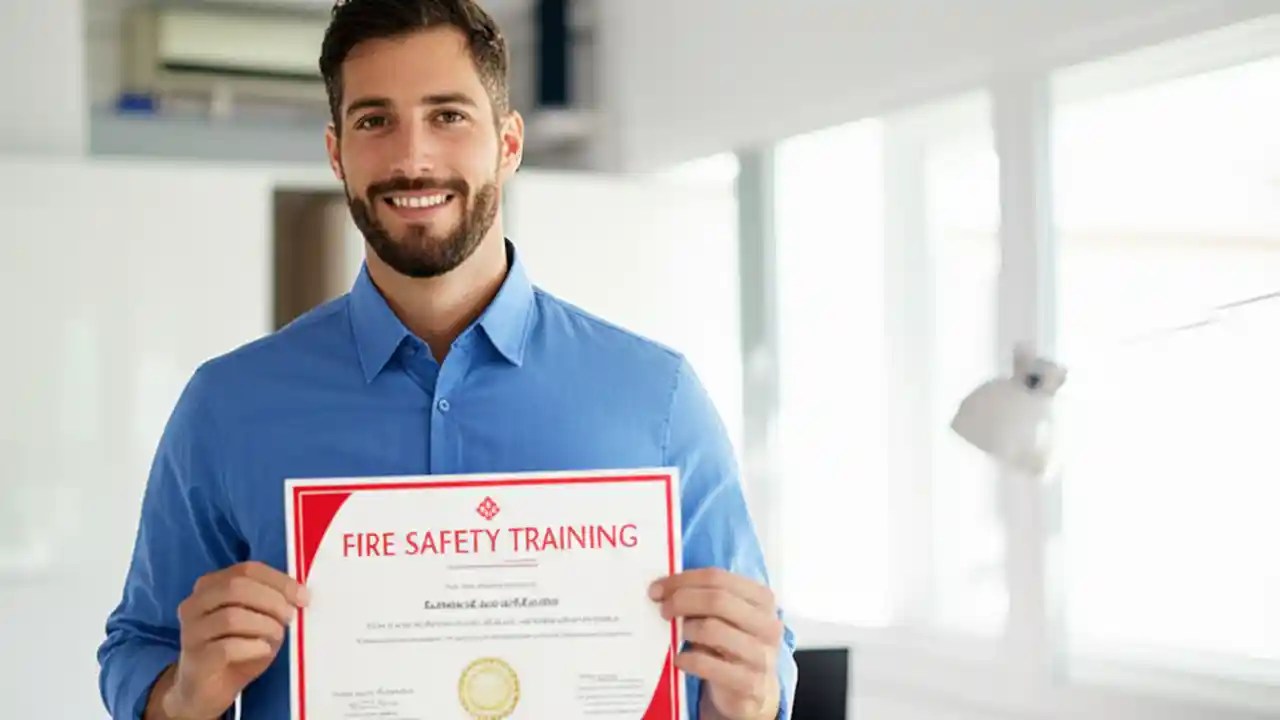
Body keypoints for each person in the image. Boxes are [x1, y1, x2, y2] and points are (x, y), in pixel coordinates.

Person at [96, 0, 797, 718]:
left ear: (509, 142)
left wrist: (749, 697)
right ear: (337, 151)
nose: (412, 157)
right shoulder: (228, 405)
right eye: (375, 121)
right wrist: (181, 698)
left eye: (448, 116)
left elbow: (761, 667)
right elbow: (138, 648)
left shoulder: (659, 400)